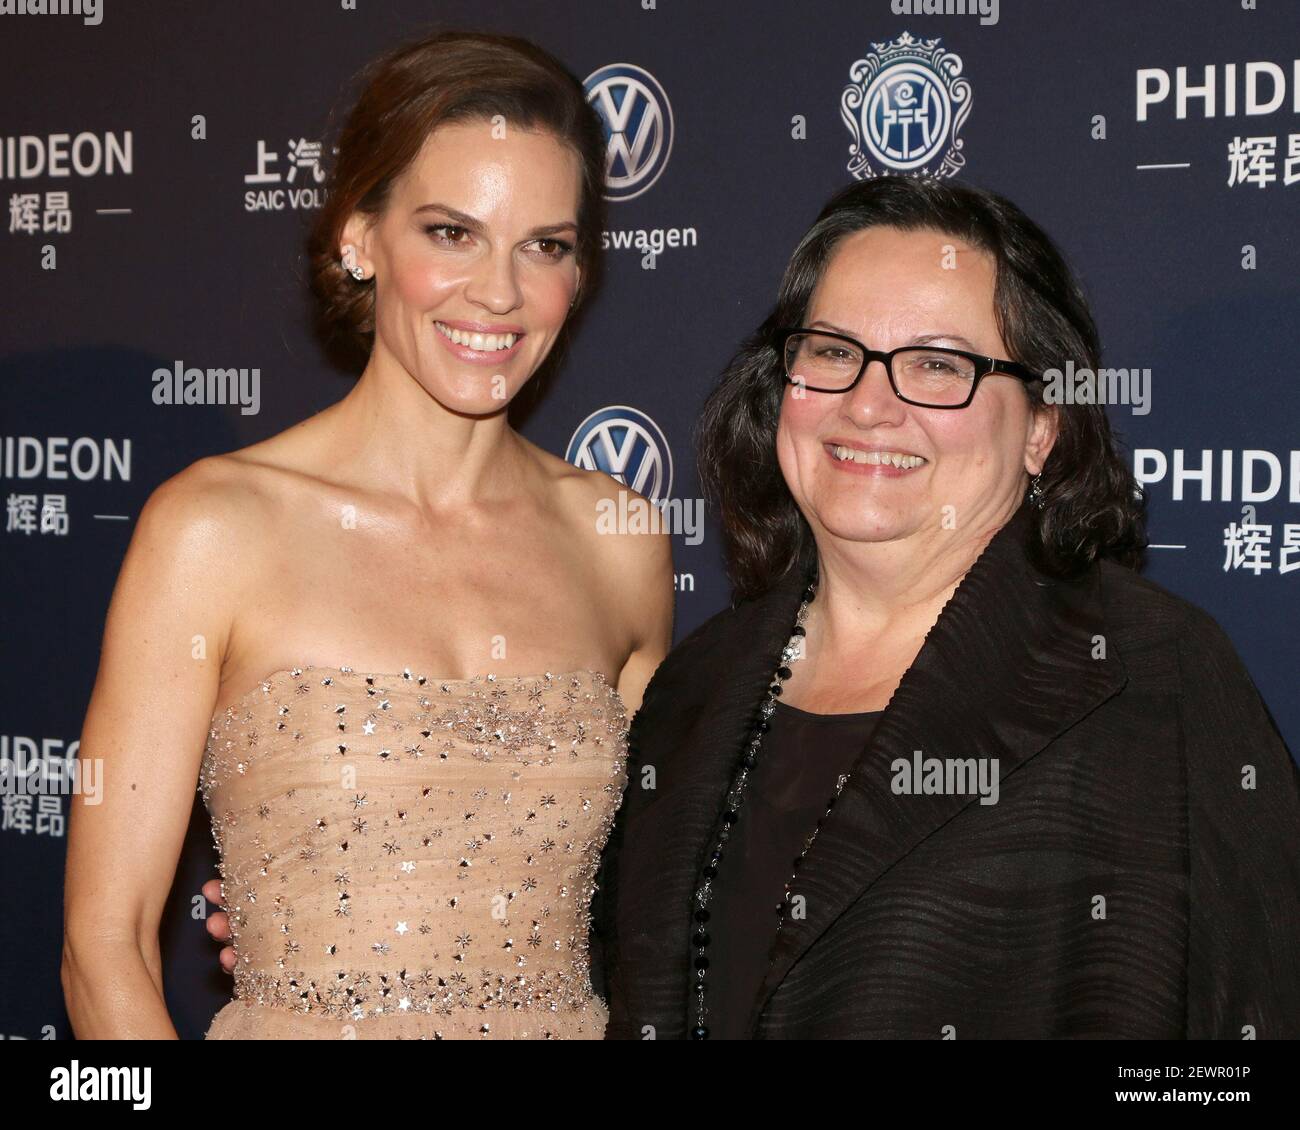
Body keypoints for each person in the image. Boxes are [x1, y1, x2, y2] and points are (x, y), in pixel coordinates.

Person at [61, 30, 673, 1040]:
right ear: (359, 238)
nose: (500, 292)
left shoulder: (617, 535)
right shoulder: (215, 528)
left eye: (546, 245)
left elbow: (652, 903)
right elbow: (104, 947)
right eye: (451, 232)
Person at [597, 175, 1300, 1039]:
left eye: (939, 365)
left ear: (1043, 426)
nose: (868, 403)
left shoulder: (1152, 680)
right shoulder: (694, 687)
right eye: (832, 350)